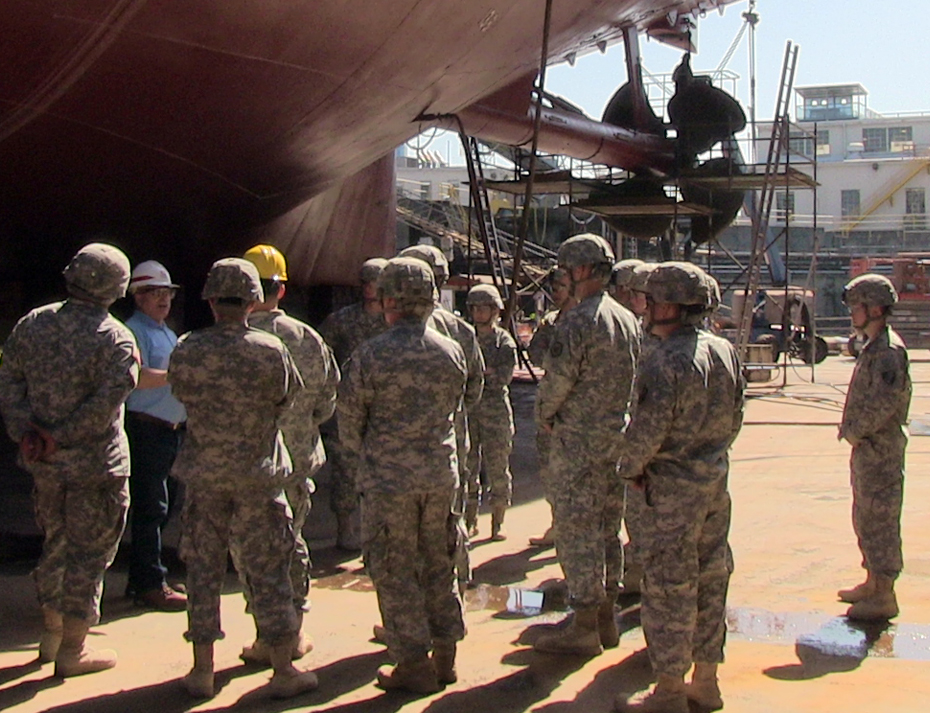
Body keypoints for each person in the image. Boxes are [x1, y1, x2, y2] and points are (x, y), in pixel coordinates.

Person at [168, 258, 317, 699]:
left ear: (211, 300)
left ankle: (201, 670)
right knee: (269, 569)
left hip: (205, 476)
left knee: (203, 570)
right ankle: (283, 668)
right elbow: (287, 400)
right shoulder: (271, 349)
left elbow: (179, 393)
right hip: (259, 477)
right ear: (254, 301)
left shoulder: (188, 347)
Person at [0, 243, 139, 677]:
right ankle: (73, 649)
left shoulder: (33, 324)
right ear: (117, 287)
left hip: (44, 465)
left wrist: (30, 434)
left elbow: (9, 380)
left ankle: (51, 634)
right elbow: (108, 402)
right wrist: (59, 437)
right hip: (97, 466)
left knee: (56, 543)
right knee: (89, 553)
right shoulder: (115, 337)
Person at [615, 262, 744, 713]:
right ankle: (706, 682)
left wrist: (629, 467)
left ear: (669, 305)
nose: (646, 309)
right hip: (713, 482)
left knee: (669, 586)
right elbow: (736, 417)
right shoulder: (724, 351)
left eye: (651, 301)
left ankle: (669, 690)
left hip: (669, 491)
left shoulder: (663, 359)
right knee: (711, 579)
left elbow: (647, 430)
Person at [337, 257, 468, 694]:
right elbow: (466, 398)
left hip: (388, 479)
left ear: (388, 300)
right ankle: (446, 656)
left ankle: (412, 662)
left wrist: (371, 455)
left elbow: (350, 422)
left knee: (394, 567)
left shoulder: (370, 354)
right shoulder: (451, 349)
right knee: (439, 561)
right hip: (439, 474)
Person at [533, 233, 640, 657]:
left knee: (577, 530)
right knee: (608, 529)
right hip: (616, 436)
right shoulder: (628, 319)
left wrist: (544, 417)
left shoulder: (577, 321)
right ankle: (606, 619)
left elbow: (557, 382)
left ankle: (581, 625)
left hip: (577, 440)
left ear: (579, 271)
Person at [240, 244, 340, 662]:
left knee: (249, 547)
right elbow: (328, 397)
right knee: (290, 539)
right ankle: (293, 629)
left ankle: (267, 634)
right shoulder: (307, 337)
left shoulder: (233, 341)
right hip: (296, 459)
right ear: (281, 289)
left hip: (246, 462)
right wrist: (301, 426)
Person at [398, 244, 484, 589]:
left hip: (401, 445)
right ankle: (455, 589)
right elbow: (475, 384)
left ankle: (412, 613)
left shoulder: (391, 329)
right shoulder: (459, 330)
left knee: (406, 528)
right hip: (448, 437)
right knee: (450, 516)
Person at [837, 273, 911, 621]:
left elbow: (883, 403)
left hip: (879, 450)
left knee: (880, 519)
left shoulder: (888, 352)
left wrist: (856, 430)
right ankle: (872, 580)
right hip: (869, 450)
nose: (853, 314)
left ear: (876, 309)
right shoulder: (873, 345)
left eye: (858, 308)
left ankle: (884, 593)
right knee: (865, 516)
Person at [123, 260, 188, 612]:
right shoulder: (134, 332)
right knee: (151, 508)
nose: (163, 300)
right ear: (138, 297)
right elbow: (136, 376)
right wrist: (176, 375)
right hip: (146, 428)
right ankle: (150, 583)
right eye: (154, 293)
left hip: (169, 432)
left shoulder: (166, 332)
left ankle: (149, 576)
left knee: (162, 509)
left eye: (167, 293)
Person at [320, 257, 389, 550]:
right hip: (348, 408)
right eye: (366, 283)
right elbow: (322, 356)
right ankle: (345, 527)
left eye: (376, 283)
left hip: (385, 409)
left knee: (385, 472)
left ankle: (381, 529)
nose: (370, 289)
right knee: (346, 471)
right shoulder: (342, 320)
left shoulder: (394, 320)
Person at [527, 267, 576, 548]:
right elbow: (535, 353)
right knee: (549, 469)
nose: (556, 291)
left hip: (577, 408)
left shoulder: (585, 321)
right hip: (551, 407)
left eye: (561, 285)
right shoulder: (551, 322)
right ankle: (558, 523)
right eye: (553, 286)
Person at [465, 284, 517, 540]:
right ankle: (469, 518)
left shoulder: (503, 341)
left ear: (495, 310)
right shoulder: (465, 338)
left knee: (498, 467)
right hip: (470, 410)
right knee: (467, 467)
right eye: (475, 307)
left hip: (495, 412)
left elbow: (503, 377)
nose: (479, 312)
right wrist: (483, 375)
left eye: (484, 307)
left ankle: (498, 520)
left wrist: (482, 377)